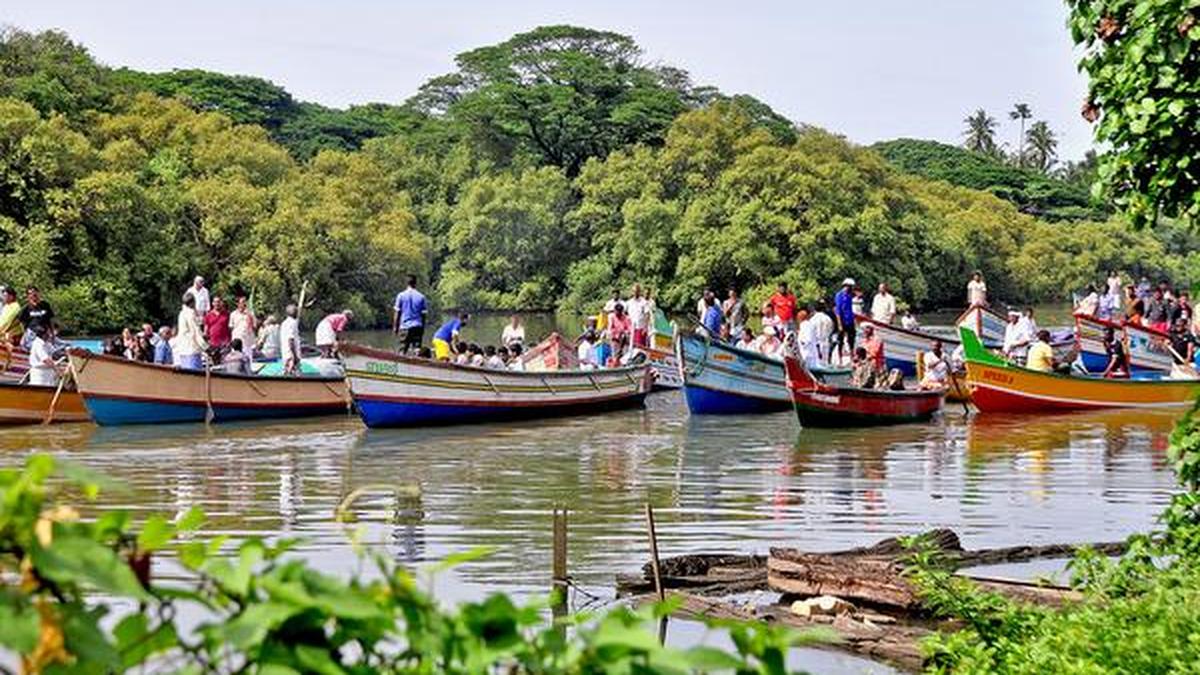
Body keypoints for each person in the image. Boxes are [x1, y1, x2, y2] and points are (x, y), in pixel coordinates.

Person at [393, 275, 428, 353]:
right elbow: (423, 315)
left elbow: (397, 313)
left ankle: (401, 363)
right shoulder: (421, 297)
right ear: (415, 283)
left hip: (405, 327)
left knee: (402, 349)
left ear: (406, 283)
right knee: (417, 350)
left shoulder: (401, 296)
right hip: (417, 326)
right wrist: (422, 328)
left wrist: (395, 327)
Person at [174, 295, 207, 371]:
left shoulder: (181, 313)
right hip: (192, 350)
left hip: (183, 350)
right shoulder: (190, 314)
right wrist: (206, 347)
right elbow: (196, 332)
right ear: (193, 302)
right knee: (195, 375)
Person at [833, 278, 856, 364]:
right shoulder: (839, 295)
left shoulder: (850, 295)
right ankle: (840, 359)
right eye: (850, 287)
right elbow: (838, 310)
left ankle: (851, 357)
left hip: (849, 320)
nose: (851, 288)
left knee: (851, 339)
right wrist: (839, 324)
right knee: (840, 340)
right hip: (842, 321)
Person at [229, 296, 256, 364]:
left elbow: (254, 327)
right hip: (236, 341)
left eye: (244, 302)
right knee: (235, 359)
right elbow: (231, 327)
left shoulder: (250, 314)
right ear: (238, 304)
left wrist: (250, 320)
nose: (243, 304)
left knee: (247, 359)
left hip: (247, 341)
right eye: (242, 302)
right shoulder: (233, 314)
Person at [626, 284, 652, 349]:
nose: (635, 293)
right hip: (631, 329)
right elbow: (625, 315)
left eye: (637, 291)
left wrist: (645, 328)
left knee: (640, 348)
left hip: (640, 328)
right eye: (634, 291)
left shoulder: (644, 302)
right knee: (630, 347)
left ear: (639, 292)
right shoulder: (628, 303)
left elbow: (647, 315)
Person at [279, 304, 302, 375]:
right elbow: (290, 340)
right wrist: (294, 356)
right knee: (294, 374)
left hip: (286, 353)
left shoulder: (284, 323)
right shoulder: (292, 323)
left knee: (287, 373)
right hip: (291, 355)